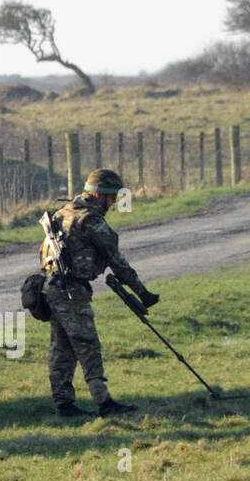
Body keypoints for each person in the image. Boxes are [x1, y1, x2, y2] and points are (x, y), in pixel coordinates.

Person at [40, 168, 160, 418]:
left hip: (52, 287)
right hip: (71, 290)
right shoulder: (91, 220)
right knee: (87, 344)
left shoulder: (63, 213)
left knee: (62, 348)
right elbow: (118, 262)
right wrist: (143, 293)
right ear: (99, 196)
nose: (113, 204)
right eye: (112, 199)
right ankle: (104, 403)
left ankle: (64, 404)